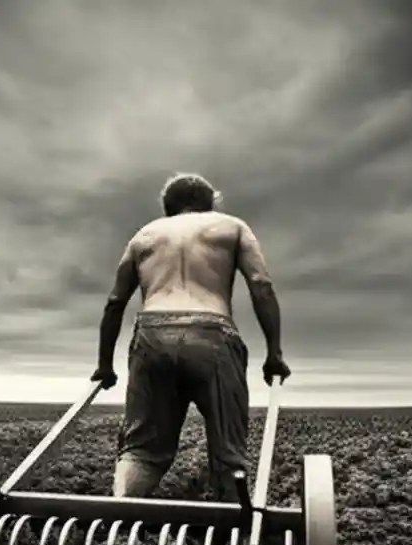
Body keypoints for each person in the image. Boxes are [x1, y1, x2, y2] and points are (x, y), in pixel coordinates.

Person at [91, 172, 290, 500]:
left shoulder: (144, 236)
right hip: (212, 334)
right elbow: (261, 285)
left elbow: (114, 304)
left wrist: (104, 365)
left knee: (142, 452)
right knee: (229, 455)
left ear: (168, 208)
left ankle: (121, 515)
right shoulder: (232, 226)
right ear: (210, 203)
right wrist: (274, 353)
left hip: (152, 333)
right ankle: (231, 536)